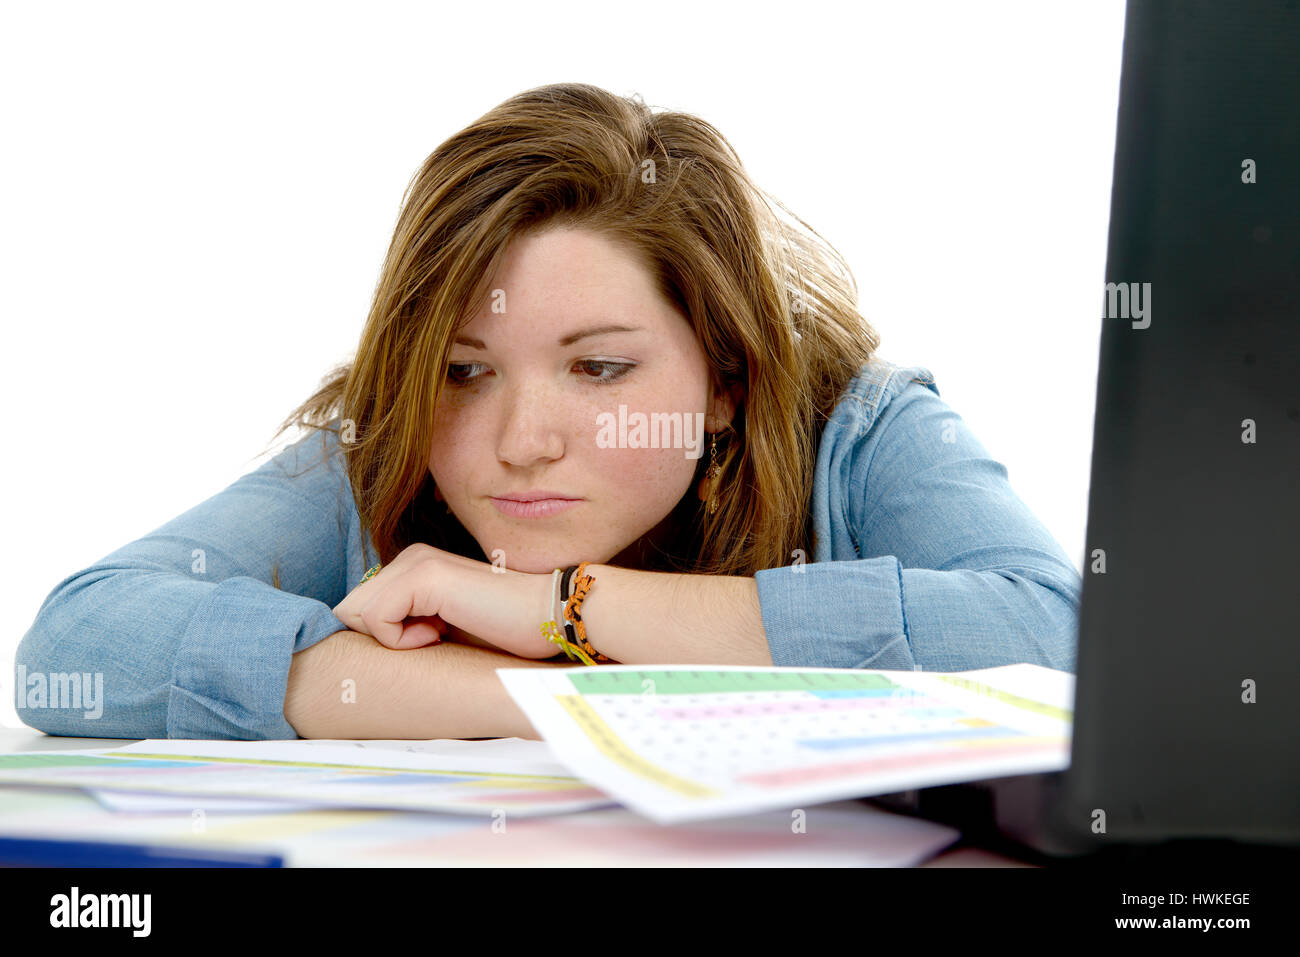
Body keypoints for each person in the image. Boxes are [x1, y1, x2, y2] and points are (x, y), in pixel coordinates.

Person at [15, 83, 1080, 742]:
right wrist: (524, 696)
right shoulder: (382, 447)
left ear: (725, 376)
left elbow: (1062, 637)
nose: (520, 444)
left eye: (601, 370)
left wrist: (562, 613)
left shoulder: (866, 429)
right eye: (466, 372)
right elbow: (82, 640)